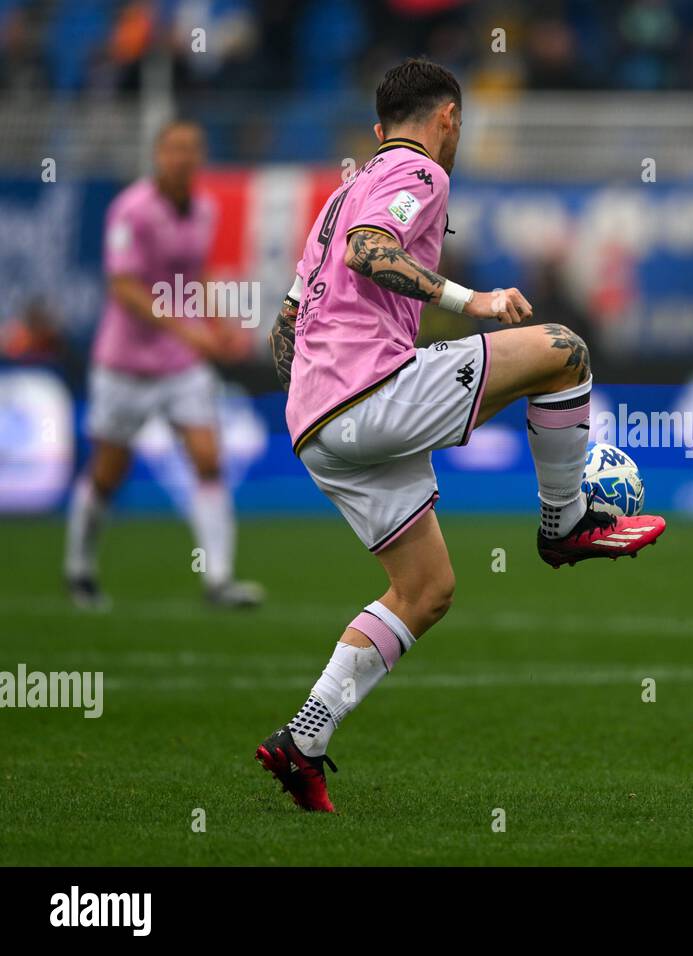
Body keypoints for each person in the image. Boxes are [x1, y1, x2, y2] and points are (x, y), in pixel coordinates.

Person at [256, 59, 666, 811]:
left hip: (315, 425)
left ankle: (303, 739)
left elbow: (284, 332)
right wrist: (468, 299)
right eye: (460, 127)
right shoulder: (419, 172)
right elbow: (369, 253)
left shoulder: (339, 195)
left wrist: (325, 398)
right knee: (565, 352)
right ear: (446, 117)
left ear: (378, 127)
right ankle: (563, 520)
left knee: (426, 590)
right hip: (369, 394)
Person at [65, 120, 261, 610]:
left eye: (192, 149)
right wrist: (188, 329)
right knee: (108, 472)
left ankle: (218, 579)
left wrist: (217, 326)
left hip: (180, 363)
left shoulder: (205, 209)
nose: (183, 157)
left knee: (209, 460)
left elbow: (200, 275)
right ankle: (80, 568)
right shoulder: (130, 209)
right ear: (157, 154)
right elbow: (124, 287)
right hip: (125, 363)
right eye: (174, 148)